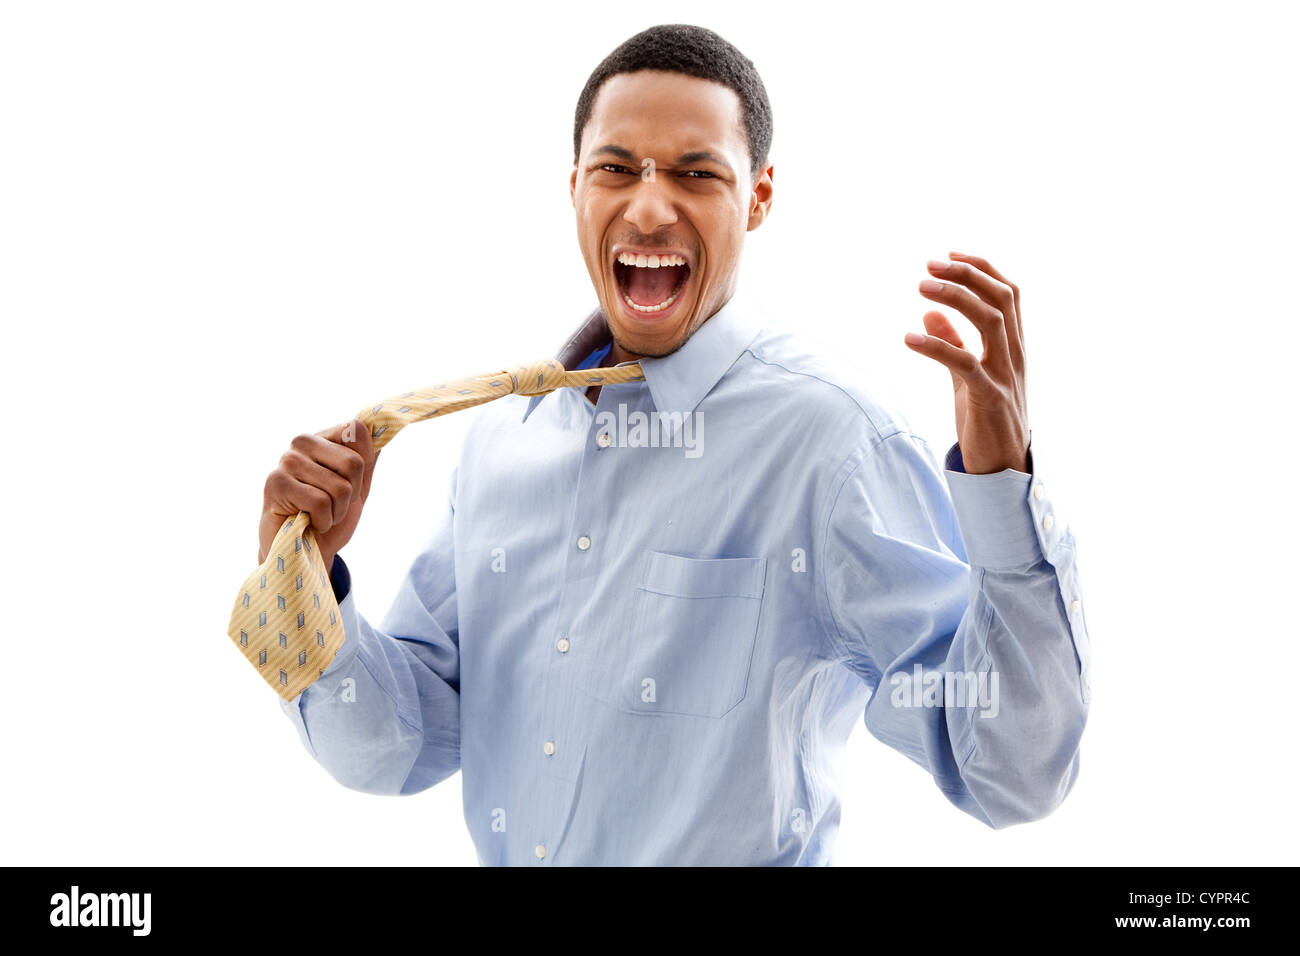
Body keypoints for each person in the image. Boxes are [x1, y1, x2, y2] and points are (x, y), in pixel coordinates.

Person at [259, 23, 1090, 865]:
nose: (650, 207)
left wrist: (1003, 491)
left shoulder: (831, 442)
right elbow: (398, 746)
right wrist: (301, 580)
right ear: (576, 186)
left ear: (759, 196)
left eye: (697, 173)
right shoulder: (502, 443)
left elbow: (1011, 772)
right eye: (617, 169)